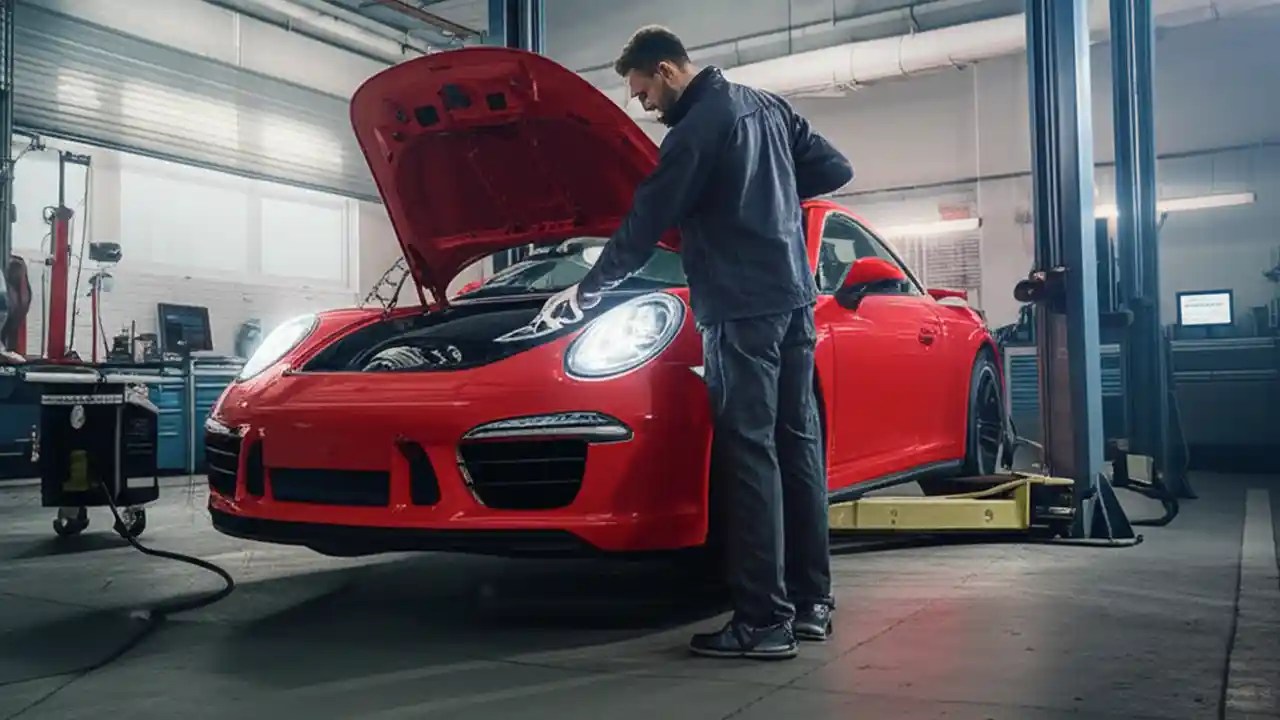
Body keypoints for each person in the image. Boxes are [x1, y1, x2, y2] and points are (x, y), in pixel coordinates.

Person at [535, 25, 854, 660]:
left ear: (667, 70)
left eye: (642, 90)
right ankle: (812, 602)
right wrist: (767, 200)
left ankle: (764, 621)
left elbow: (645, 222)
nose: (643, 106)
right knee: (798, 450)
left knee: (750, 457)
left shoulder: (694, 133)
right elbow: (835, 168)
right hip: (793, 302)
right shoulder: (767, 108)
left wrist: (587, 292)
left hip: (739, 310)